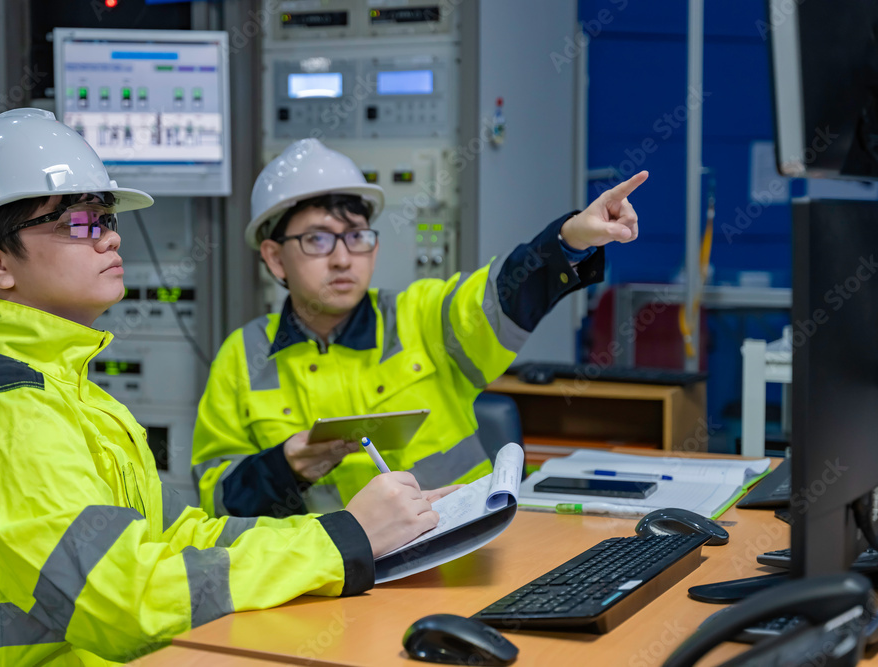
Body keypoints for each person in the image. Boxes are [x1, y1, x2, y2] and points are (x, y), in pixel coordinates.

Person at [0, 110, 442, 666]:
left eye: (106, 219)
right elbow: (125, 604)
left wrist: (363, 532)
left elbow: (188, 536)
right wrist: (343, 541)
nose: (110, 238)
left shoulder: (73, 396)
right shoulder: (1, 417)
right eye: (80, 224)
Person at [192, 138, 647, 518]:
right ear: (274, 257)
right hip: (330, 578)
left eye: (357, 236)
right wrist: (284, 467)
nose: (343, 257)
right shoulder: (243, 356)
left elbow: (500, 296)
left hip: (464, 552)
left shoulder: (421, 317)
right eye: (317, 239)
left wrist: (569, 240)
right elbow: (216, 499)